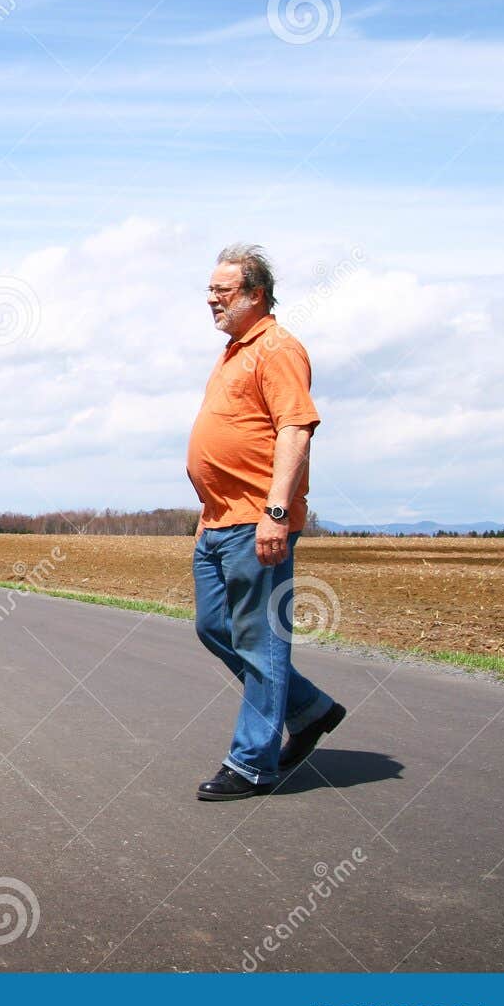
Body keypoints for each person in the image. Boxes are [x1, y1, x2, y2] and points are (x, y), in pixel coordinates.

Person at [186, 244, 346, 802]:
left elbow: (295, 431)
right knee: (215, 628)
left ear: (255, 294)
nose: (211, 299)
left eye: (222, 291)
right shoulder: (234, 351)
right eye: (209, 290)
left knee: (260, 643)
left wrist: (276, 513)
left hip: (258, 520)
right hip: (218, 523)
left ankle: (252, 764)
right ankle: (310, 709)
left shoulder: (276, 348)